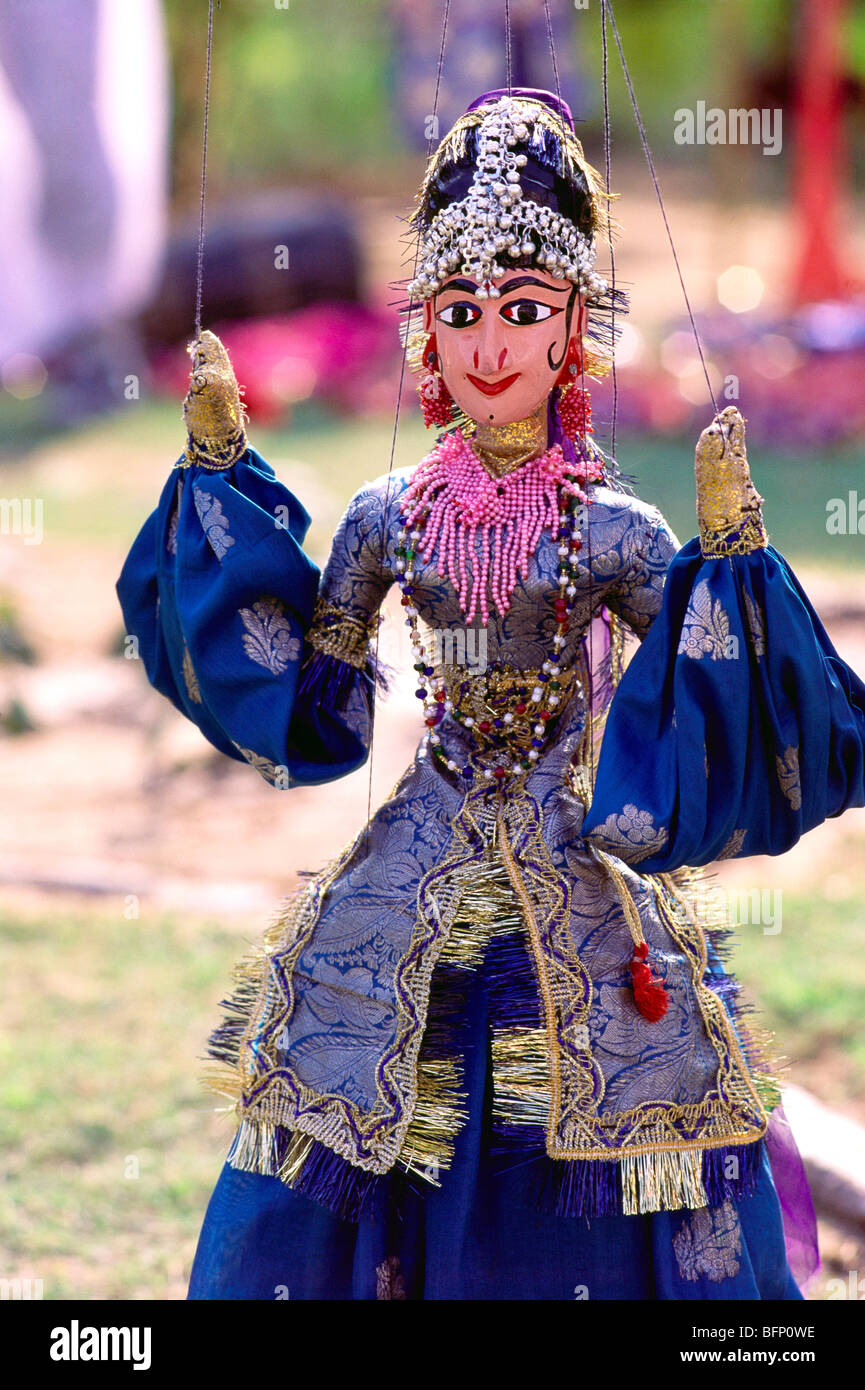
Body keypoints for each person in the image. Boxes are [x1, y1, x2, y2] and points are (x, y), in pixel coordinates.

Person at [117, 89, 865, 1301]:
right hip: (414, 851)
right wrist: (218, 482)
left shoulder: (612, 527)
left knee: (635, 1083)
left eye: (522, 310)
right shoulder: (384, 518)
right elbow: (316, 696)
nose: (489, 345)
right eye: (459, 312)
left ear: (575, 324)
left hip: (576, 858)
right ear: (425, 331)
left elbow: (700, 686)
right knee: (345, 1077)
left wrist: (731, 561)